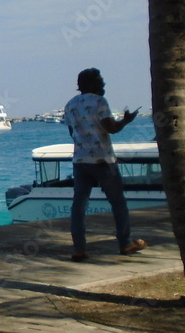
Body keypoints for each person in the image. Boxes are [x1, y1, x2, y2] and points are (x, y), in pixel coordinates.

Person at [63, 68, 148, 262]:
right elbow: (112, 128)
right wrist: (126, 121)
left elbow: (72, 132)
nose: (104, 85)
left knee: (79, 206)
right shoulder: (100, 102)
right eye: (100, 81)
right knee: (118, 203)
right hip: (103, 161)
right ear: (91, 84)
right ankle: (125, 243)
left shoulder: (70, 105)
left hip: (80, 161)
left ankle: (79, 249)